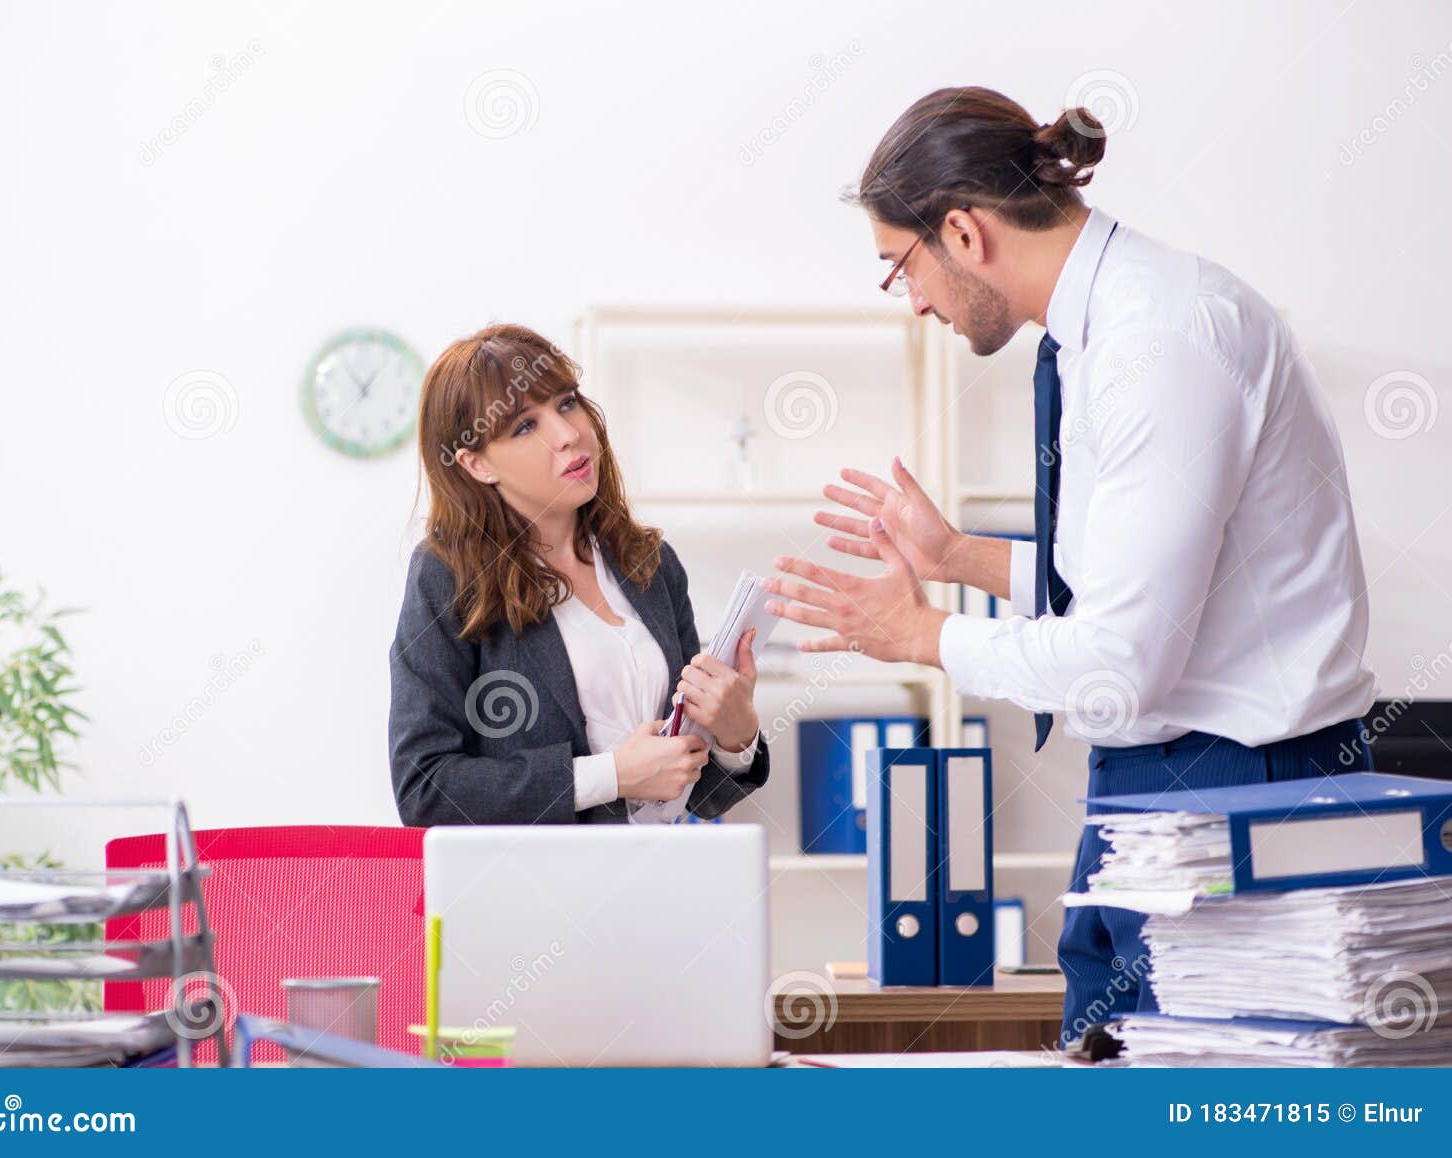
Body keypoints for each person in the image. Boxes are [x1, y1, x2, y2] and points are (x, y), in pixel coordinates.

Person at [761, 87, 1377, 1047]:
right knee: (1106, 1069)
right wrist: (958, 558)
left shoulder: (1161, 341)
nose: (913, 300)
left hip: (1241, 787)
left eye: (901, 269)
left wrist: (921, 634)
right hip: (1159, 778)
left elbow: (1121, 660)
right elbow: (1138, 581)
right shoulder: (1094, 336)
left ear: (962, 232)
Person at [390, 323, 768, 826]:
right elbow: (426, 789)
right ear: (477, 464)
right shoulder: (446, 575)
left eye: (567, 402)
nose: (569, 435)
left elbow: (695, 792)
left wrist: (735, 734)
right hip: (538, 892)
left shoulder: (648, 563)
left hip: (666, 878)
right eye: (525, 426)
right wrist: (610, 775)